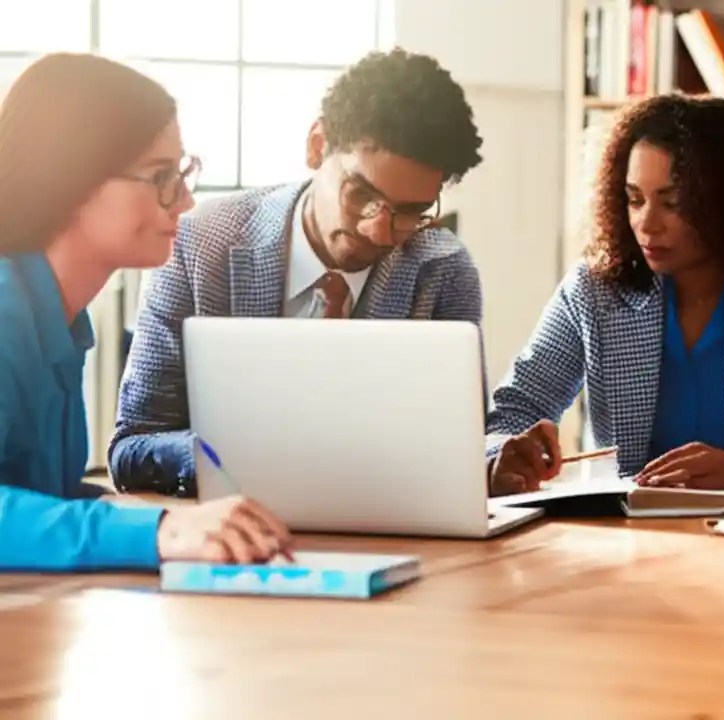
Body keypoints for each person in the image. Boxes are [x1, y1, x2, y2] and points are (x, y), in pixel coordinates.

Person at [110, 48, 486, 498]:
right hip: (228, 535)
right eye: (361, 193)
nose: (380, 231)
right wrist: (222, 459)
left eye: (412, 212)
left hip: (389, 528)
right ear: (316, 146)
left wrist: (495, 458)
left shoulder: (443, 270)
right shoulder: (197, 246)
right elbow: (130, 449)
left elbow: (460, 453)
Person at [0, 54, 292, 570]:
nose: (184, 204)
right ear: (73, 177)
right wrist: (162, 529)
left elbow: (39, 498)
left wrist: (192, 524)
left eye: (182, 175)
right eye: (161, 177)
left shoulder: (62, 321)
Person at [485, 96, 724, 495]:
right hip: (630, 534)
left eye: (673, 203)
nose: (646, 223)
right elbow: (512, 413)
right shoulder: (593, 292)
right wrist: (502, 455)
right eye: (634, 199)